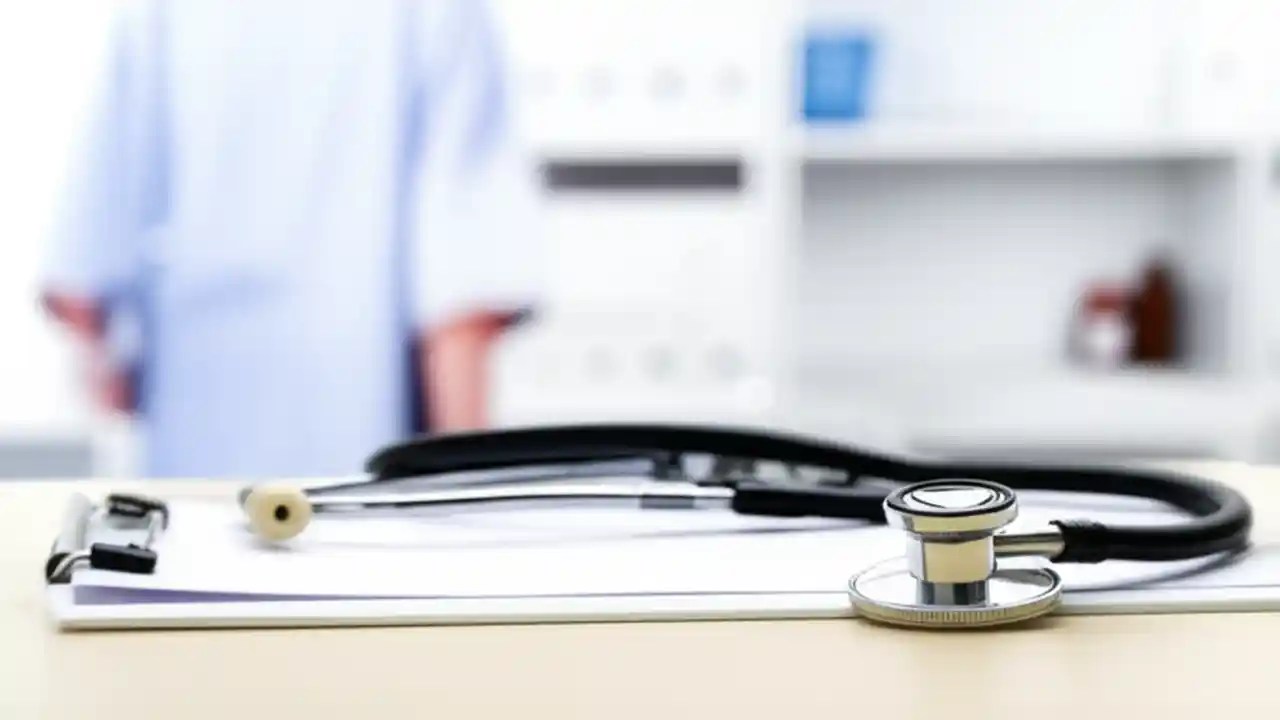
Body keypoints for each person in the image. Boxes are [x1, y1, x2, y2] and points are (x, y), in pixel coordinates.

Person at [41, 0, 541, 478]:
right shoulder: (437, 11)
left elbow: (84, 275)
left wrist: (118, 374)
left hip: (193, 458)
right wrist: (466, 487)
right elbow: (464, 293)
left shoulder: (157, 11)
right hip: (367, 461)